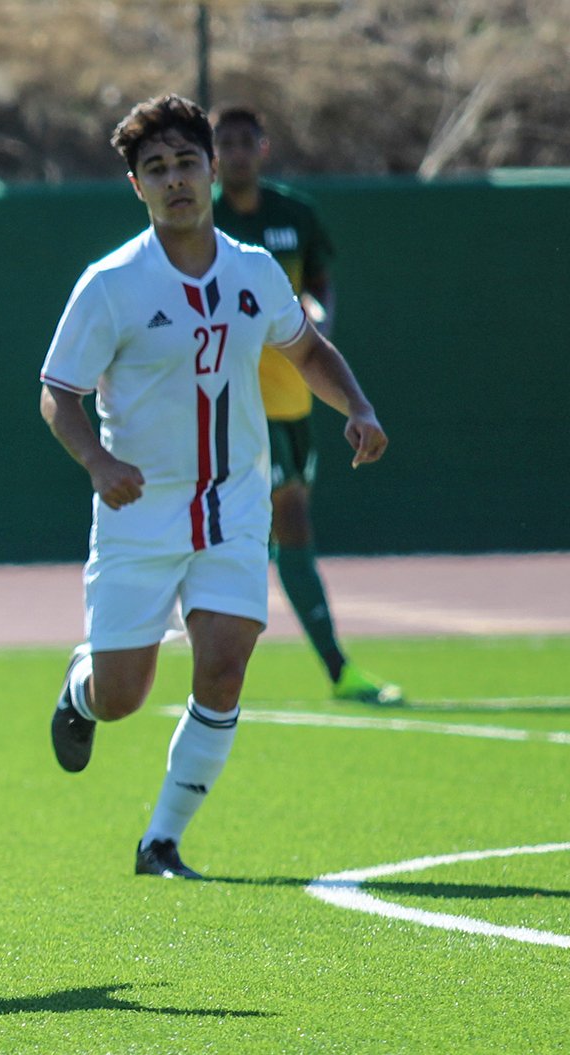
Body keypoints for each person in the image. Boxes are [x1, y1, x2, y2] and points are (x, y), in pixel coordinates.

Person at [38, 95, 388, 879]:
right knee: (124, 694)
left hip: (234, 503)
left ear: (213, 168)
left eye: (185, 162)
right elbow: (57, 391)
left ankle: (161, 840)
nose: (175, 181)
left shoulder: (255, 271)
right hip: (138, 510)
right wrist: (97, 463)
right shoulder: (111, 284)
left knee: (225, 667)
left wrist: (358, 407)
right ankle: (81, 688)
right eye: (154, 169)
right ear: (137, 186)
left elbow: (307, 349)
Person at [212, 106, 399, 705]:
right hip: (233, 407)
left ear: (263, 149)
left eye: (247, 142)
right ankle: (332, 666)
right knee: (273, 525)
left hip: (292, 405)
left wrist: (320, 314)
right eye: (226, 143)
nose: (237, 153)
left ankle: (328, 667)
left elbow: (319, 284)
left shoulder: (295, 213)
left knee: (282, 526)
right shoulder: (200, 223)